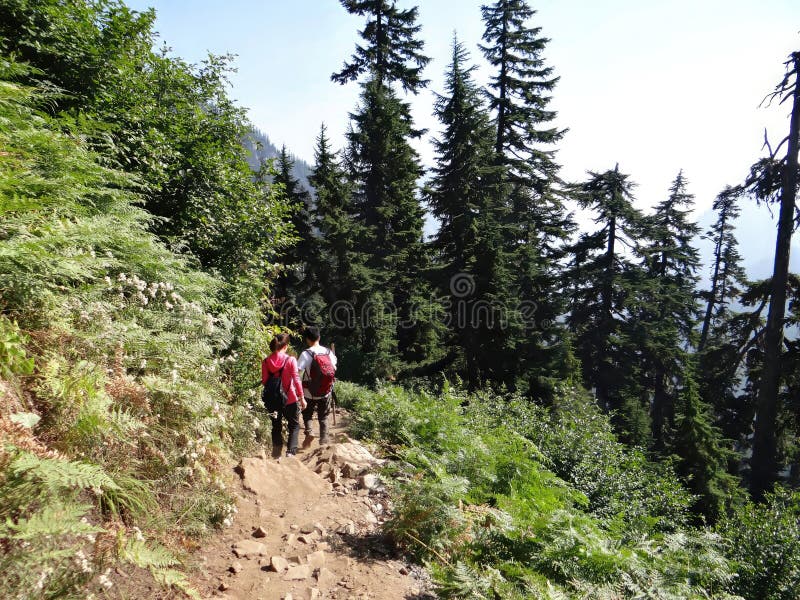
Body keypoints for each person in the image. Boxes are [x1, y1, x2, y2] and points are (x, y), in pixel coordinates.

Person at [262, 333, 306, 457]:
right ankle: (290, 452)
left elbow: (265, 381)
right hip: (290, 399)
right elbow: (297, 380)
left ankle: (276, 454)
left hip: (272, 400)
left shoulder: (265, 361)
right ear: (285, 346)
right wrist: (302, 398)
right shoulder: (290, 360)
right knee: (294, 425)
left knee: (276, 426)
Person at [297, 326, 337, 447]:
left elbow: (297, 371)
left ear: (307, 340)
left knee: (307, 413)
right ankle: (324, 441)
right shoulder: (328, 352)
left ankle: (309, 432)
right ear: (319, 337)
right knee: (323, 416)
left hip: (309, 391)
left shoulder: (306, 354)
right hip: (326, 391)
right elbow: (333, 369)